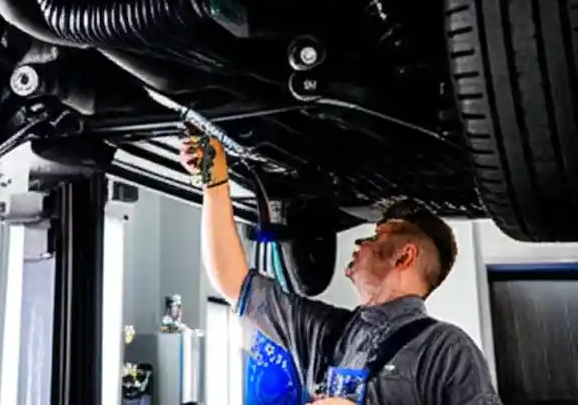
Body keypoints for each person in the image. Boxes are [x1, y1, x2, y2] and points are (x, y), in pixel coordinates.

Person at [181, 137, 501, 405]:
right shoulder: (328, 333)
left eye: (377, 237)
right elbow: (235, 284)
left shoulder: (445, 348)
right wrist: (215, 182)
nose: (361, 243)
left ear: (404, 256)